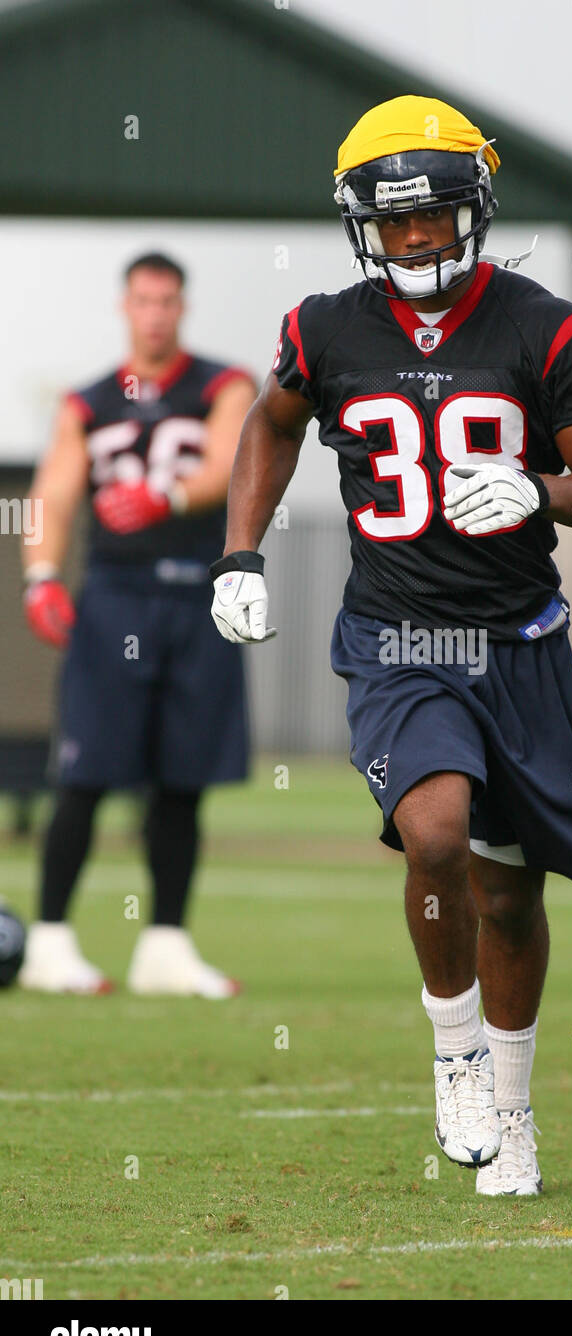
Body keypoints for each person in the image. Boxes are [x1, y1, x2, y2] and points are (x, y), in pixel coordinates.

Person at [211, 96, 572, 1194]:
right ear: (361, 223)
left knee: (508, 892)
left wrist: (542, 491)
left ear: (474, 209)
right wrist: (239, 552)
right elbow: (270, 422)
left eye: (433, 216)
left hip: (520, 639)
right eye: (392, 223)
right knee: (435, 832)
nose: (413, 240)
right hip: (398, 634)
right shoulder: (326, 326)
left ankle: (511, 1100)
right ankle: (452, 1048)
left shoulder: (545, 327)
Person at [21, 251, 256, 997]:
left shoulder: (222, 383)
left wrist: (168, 498)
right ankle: (51, 940)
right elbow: (52, 493)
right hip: (115, 596)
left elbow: (231, 464)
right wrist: (41, 576)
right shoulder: (87, 401)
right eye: (143, 301)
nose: (154, 313)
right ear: (126, 307)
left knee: (183, 780)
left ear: (181, 308)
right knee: (84, 772)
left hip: (196, 595)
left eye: (167, 301)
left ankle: (165, 942)